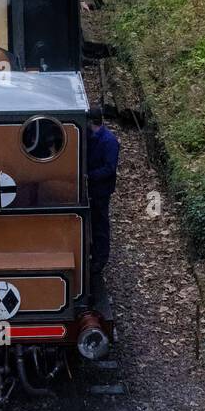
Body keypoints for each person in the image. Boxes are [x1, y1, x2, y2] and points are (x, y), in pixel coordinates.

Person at [87, 106, 119, 295]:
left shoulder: (109, 141)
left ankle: (100, 258)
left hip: (100, 189)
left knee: (100, 222)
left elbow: (109, 168)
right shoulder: (94, 138)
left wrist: (88, 175)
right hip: (93, 186)